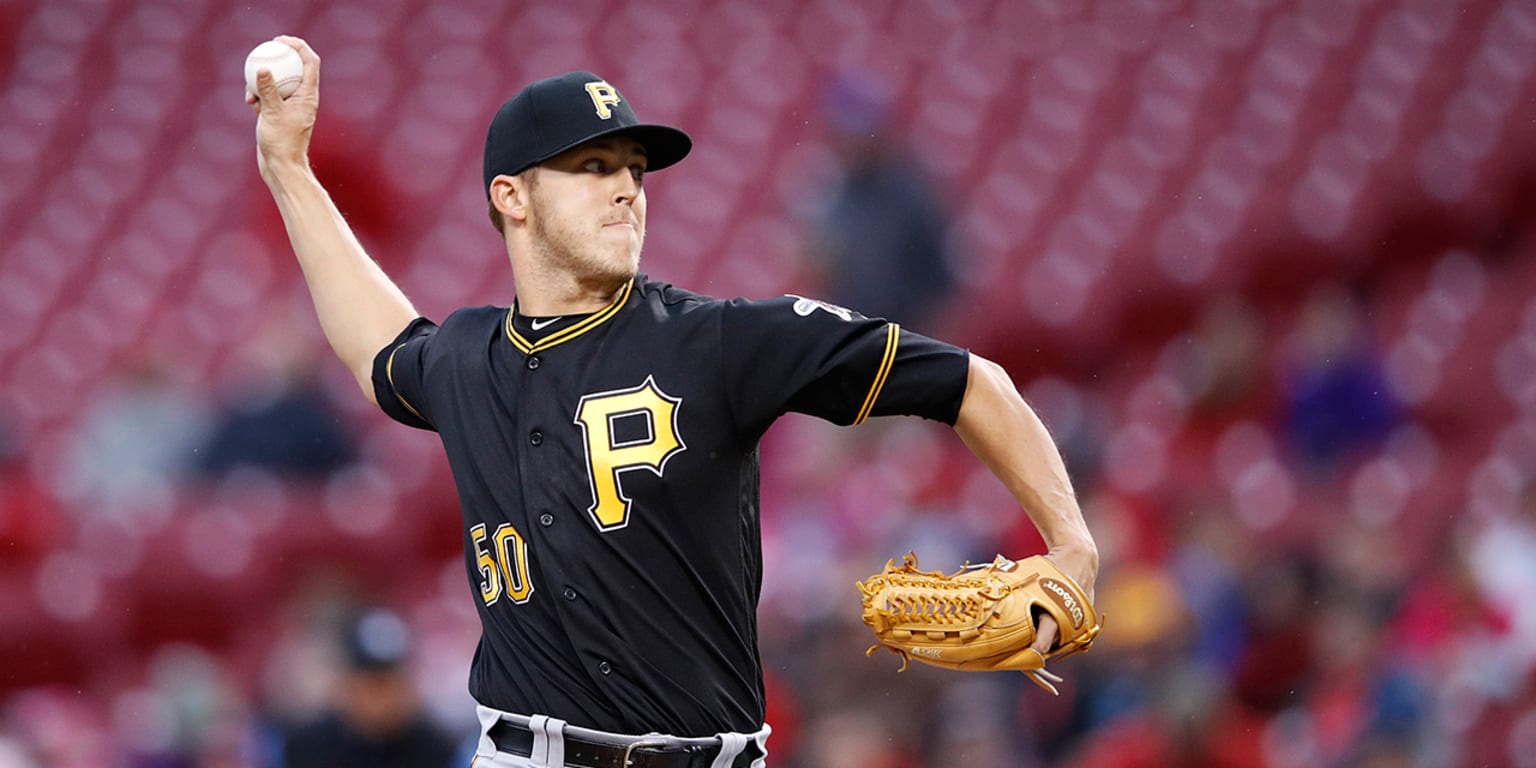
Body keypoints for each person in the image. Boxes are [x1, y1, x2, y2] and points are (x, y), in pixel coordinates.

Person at [248, 36, 1098, 768]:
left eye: (633, 169)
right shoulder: (470, 358)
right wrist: (288, 166)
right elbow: (378, 345)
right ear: (512, 196)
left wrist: (1072, 545)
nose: (626, 187)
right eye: (592, 167)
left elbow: (971, 383)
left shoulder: (722, 341)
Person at [274, 607, 461, 768]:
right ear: (348, 682)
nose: (383, 696)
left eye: (391, 680)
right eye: (373, 682)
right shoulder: (305, 749)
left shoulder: (437, 752)